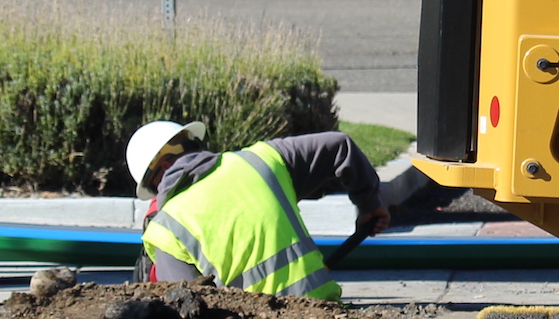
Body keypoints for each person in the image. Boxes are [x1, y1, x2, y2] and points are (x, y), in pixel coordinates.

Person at [126, 120, 390, 300]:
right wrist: (369, 205)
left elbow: (186, 305)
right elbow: (339, 145)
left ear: (157, 177)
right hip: (327, 313)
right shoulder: (262, 161)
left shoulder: (165, 230)